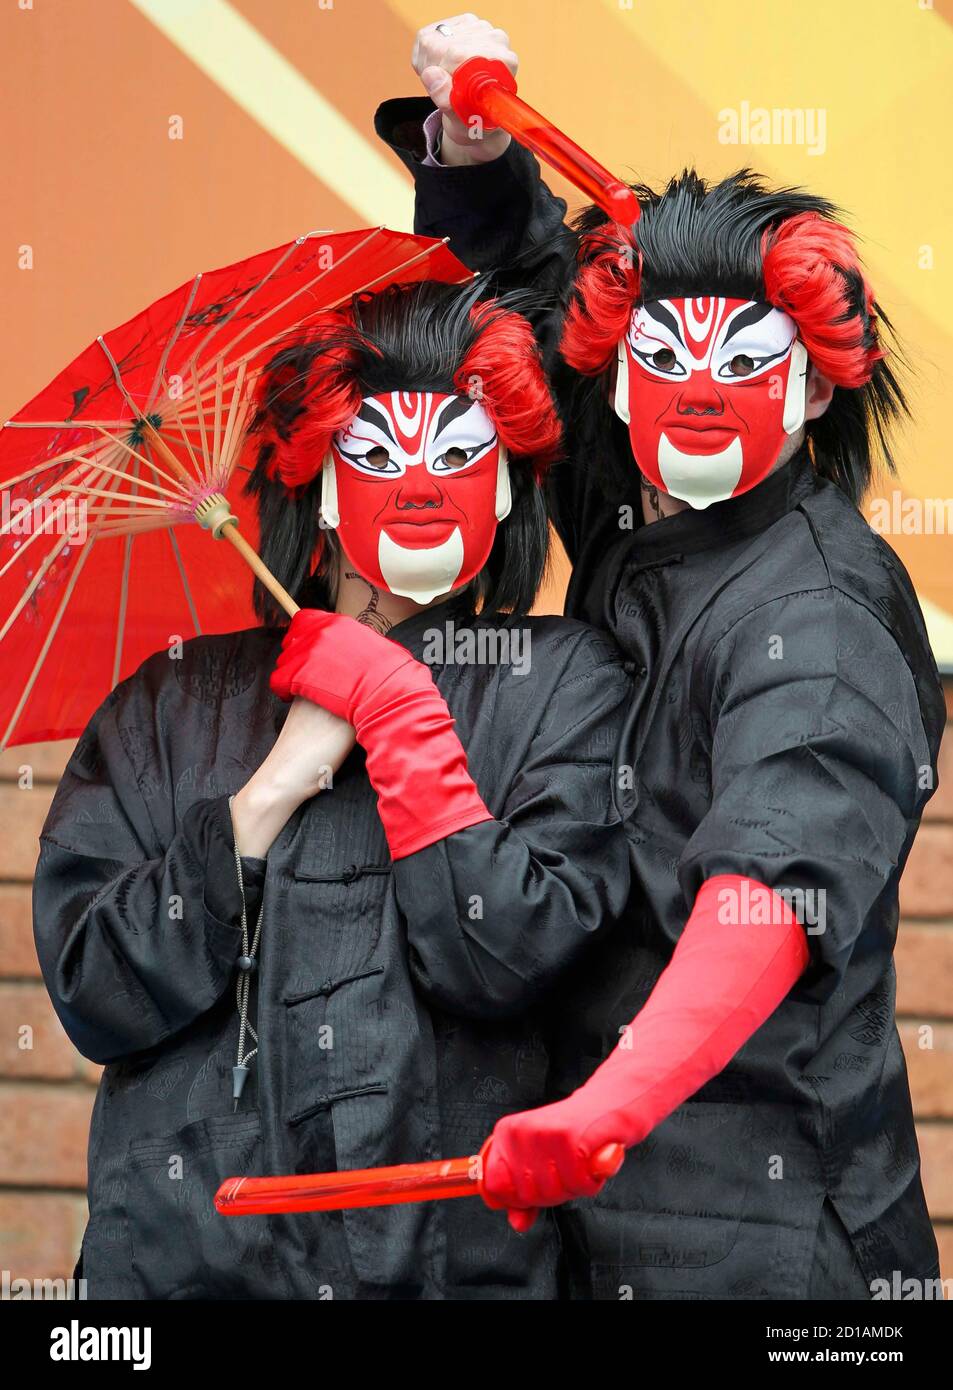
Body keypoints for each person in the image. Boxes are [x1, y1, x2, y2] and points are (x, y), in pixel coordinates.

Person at [374, 16, 947, 1300]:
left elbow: (771, 898)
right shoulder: (638, 506)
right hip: (604, 1214)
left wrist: (607, 1103)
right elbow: (539, 311)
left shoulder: (826, 613)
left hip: (771, 1233)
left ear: (812, 383)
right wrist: (474, 160)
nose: (691, 391)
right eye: (659, 361)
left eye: (735, 365)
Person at [32, 279, 632, 1300]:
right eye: (372, 454)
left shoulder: (564, 683)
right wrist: (259, 803)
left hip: (454, 1269)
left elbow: (510, 954)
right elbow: (95, 988)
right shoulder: (173, 697)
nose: (414, 484)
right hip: (184, 1271)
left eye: (452, 454)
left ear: (501, 486)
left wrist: (400, 719)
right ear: (315, 482)